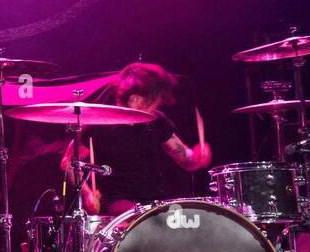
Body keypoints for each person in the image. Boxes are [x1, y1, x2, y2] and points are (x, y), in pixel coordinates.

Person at [61, 62, 212, 217]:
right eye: (154, 101)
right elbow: (68, 163)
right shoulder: (97, 123)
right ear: (135, 99)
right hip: (115, 206)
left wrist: (196, 158)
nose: (156, 106)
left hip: (154, 203)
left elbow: (184, 158)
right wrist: (88, 194)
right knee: (134, 213)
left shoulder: (156, 120)